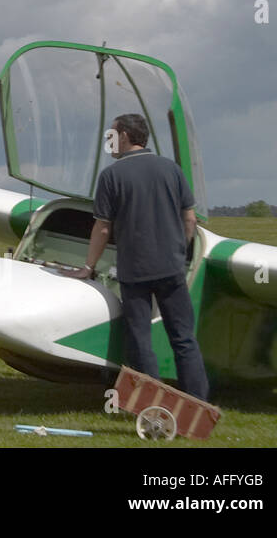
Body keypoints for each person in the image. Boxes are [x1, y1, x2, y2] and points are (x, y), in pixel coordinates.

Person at [70, 113, 210, 401]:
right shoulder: (171, 169)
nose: (109, 141)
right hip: (171, 267)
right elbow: (190, 219)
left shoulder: (111, 176)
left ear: (124, 136)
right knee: (183, 337)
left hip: (135, 271)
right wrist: (179, 252)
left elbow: (103, 227)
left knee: (140, 338)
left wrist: (88, 266)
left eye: (111, 135)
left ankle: (152, 404)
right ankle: (197, 402)